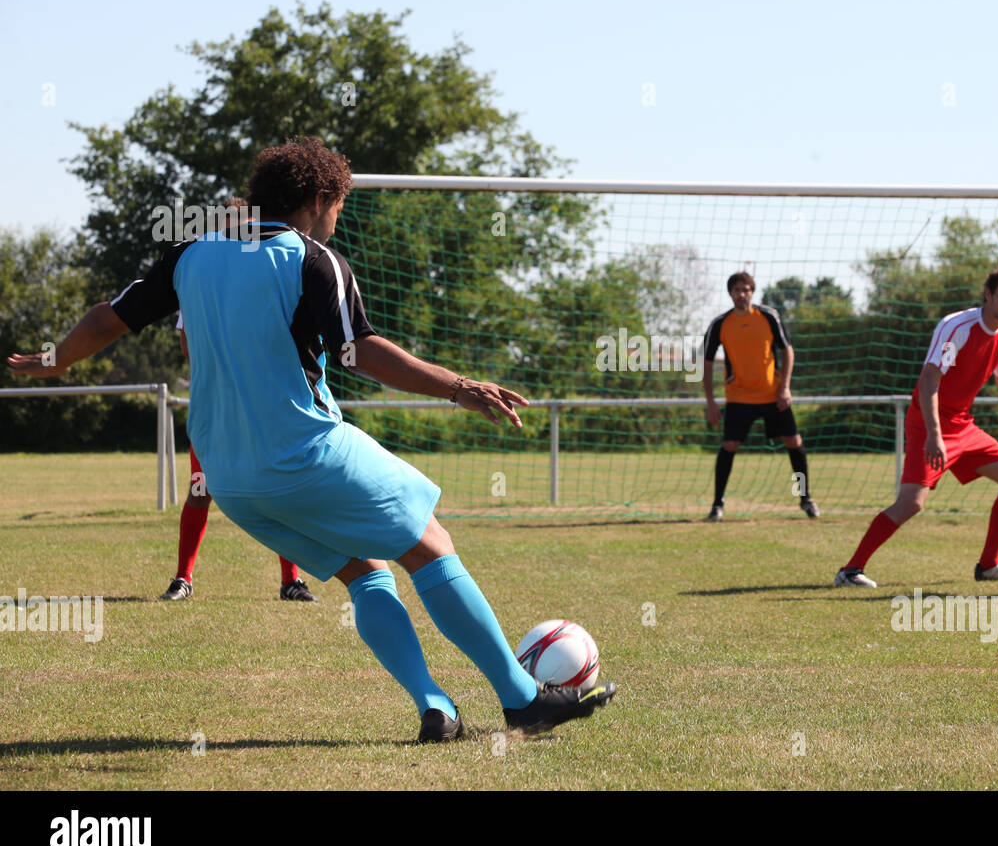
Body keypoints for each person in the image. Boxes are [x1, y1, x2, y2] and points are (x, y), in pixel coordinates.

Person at [8, 137, 615, 741]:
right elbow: (362, 352)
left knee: (364, 572)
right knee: (430, 544)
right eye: (338, 208)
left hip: (231, 477)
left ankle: (436, 707)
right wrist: (458, 386)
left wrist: (56, 358)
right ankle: (523, 700)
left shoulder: (191, 252)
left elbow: (108, 316)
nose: (335, 221)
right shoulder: (309, 258)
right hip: (307, 454)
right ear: (320, 198)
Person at [835, 263, 998, 588]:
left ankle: (989, 565)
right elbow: (930, 378)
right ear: (988, 294)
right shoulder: (958, 326)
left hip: (963, 426)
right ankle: (850, 571)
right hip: (928, 423)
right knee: (912, 503)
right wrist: (935, 435)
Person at [163, 197, 317, 603]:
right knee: (201, 488)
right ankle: (183, 579)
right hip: (214, 408)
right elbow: (187, 346)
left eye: (246, 228)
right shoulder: (200, 280)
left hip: (263, 406)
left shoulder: (273, 274)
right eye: (230, 229)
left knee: (279, 487)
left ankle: (292, 580)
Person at [702, 272, 819, 521]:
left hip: (772, 395)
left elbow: (788, 351)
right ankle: (717, 504)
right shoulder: (720, 324)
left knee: (794, 443)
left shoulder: (768, 316)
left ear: (752, 292)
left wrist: (785, 387)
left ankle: (805, 498)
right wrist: (710, 401)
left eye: (745, 289)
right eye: (736, 290)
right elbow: (707, 363)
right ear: (730, 293)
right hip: (739, 397)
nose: (741, 294)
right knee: (729, 446)